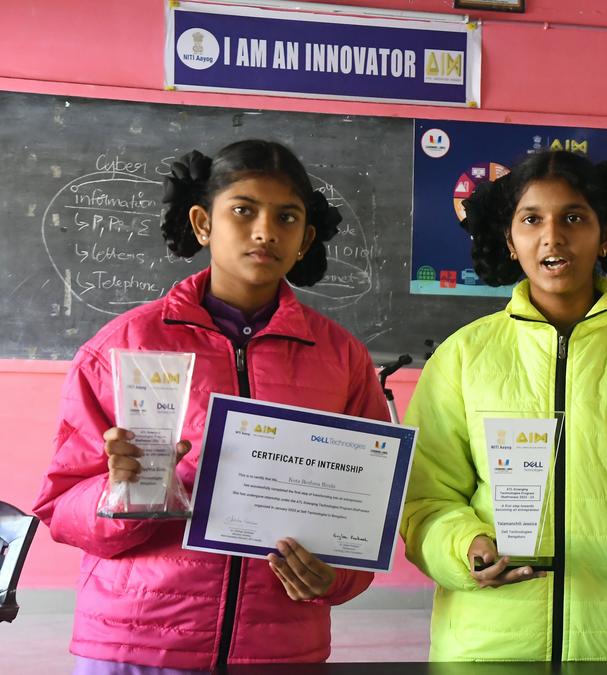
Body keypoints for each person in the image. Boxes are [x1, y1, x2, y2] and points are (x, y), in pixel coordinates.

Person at [33, 140, 388, 671]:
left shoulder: (341, 358)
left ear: (305, 238)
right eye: (243, 210)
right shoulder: (124, 344)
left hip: (278, 645)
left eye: (286, 217)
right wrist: (118, 491)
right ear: (203, 224)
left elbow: (366, 506)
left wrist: (334, 577)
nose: (265, 230)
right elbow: (62, 508)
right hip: (138, 641)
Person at [400, 150, 607, 661]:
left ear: (604, 236)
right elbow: (423, 500)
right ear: (508, 239)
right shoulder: (463, 357)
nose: (553, 236)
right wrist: (464, 548)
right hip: (488, 644)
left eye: (574, 218)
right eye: (531, 219)